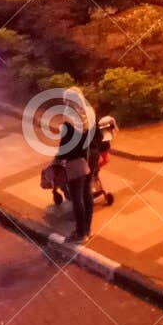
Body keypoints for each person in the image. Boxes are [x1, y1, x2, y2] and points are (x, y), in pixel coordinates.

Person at [55, 87, 97, 245]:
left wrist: (58, 160)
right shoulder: (91, 113)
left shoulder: (69, 120)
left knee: (77, 197)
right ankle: (87, 230)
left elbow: (65, 147)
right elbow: (98, 137)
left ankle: (80, 233)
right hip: (91, 158)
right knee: (87, 193)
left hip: (76, 162)